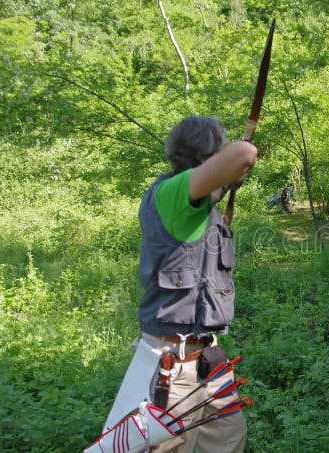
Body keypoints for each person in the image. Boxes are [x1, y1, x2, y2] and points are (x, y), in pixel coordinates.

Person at [136, 115, 257, 452]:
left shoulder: (198, 203)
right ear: (209, 157)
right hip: (171, 364)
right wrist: (231, 168)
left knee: (229, 440)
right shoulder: (172, 193)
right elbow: (244, 153)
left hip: (208, 359)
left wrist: (224, 184)